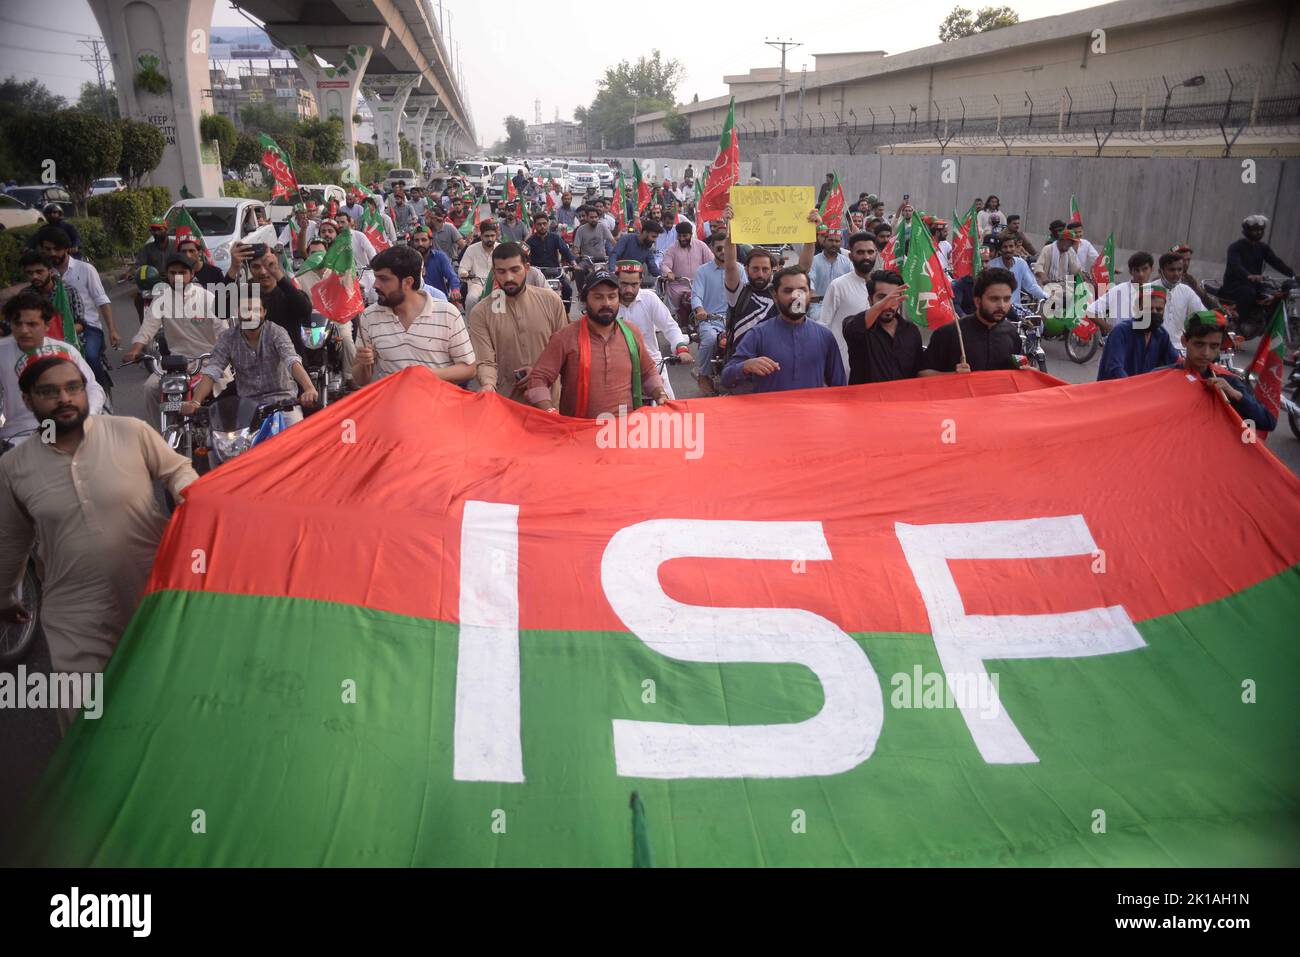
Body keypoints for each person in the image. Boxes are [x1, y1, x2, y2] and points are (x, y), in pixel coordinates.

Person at [0, 354, 197, 728]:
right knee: (85, 717)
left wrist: (191, 495)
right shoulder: (13, 468)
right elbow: (10, 541)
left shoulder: (130, 432)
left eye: (72, 388)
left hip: (153, 589)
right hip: (74, 608)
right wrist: (5, 597)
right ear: (27, 400)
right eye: (49, 392)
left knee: (168, 698)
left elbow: (178, 471)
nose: (65, 399)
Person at [524, 270, 667, 418]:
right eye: (598, 297)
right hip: (579, 433)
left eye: (612, 296)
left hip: (625, 432)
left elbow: (648, 371)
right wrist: (550, 412)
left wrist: (660, 394)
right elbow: (538, 379)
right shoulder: (565, 337)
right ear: (585, 301)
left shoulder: (631, 333)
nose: (606, 303)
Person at [123, 252, 230, 426]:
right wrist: (135, 350)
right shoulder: (161, 299)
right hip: (176, 365)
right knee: (150, 388)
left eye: (182, 272)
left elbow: (223, 332)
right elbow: (148, 328)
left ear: (192, 274)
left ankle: (219, 438)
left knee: (226, 394)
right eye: (173, 273)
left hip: (208, 362)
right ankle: (160, 438)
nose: (177, 277)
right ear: (167, 275)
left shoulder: (208, 298)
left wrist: (226, 354)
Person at [350, 245, 476, 388]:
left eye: (383, 279)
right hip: (392, 405)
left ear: (407, 282)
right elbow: (360, 380)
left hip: (438, 404)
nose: (375, 285)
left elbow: (469, 369)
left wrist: (423, 375)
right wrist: (364, 364)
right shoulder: (369, 316)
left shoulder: (447, 313)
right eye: (376, 278)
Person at [185, 293, 318, 425]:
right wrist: (195, 402)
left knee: (295, 437)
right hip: (247, 409)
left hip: (284, 405)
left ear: (264, 312)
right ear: (238, 312)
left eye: (256, 310)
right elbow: (213, 370)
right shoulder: (228, 337)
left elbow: (292, 361)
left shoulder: (276, 332)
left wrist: (309, 388)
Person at [467, 242, 570, 403]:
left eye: (515, 270)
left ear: (527, 268)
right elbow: (485, 361)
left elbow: (565, 352)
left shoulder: (551, 301)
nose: (508, 278)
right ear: (494, 273)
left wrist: (540, 373)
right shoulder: (481, 313)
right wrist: (488, 385)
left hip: (550, 405)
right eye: (501, 271)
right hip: (506, 407)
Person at [0, 293, 105, 445]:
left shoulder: (65, 351)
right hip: (14, 437)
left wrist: (87, 419)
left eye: (32, 324)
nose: (24, 331)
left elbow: (93, 389)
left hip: (64, 429)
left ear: (47, 325)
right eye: (18, 324)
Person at [722, 266, 845, 393]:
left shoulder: (825, 336)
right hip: (769, 411)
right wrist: (745, 367)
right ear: (775, 296)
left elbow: (839, 387)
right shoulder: (758, 334)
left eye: (802, 290)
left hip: (812, 411)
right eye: (788, 291)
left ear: (810, 294)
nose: (796, 296)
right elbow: (726, 378)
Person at [35, 225, 117, 389]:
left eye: (57, 249)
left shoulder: (85, 269)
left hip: (88, 328)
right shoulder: (42, 274)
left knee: (91, 356)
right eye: (47, 249)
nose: (52, 253)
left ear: (66, 248)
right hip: (53, 331)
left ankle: (102, 394)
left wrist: (112, 330)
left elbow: (101, 299)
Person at [1165, 310, 1276, 431]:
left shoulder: (1229, 382)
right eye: (1199, 344)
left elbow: (1268, 422)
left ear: (1220, 347)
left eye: (1214, 346)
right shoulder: (1162, 377)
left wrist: (1237, 396)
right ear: (1184, 341)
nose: (1206, 353)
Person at [613, 260, 691, 398]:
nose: (629, 290)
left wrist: (681, 348)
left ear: (640, 281)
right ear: (616, 281)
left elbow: (669, 326)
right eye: (624, 284)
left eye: (634, 284)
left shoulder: (649, 298)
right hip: (618, 367)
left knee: (669, 408)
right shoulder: (609, 303)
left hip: (653, 364)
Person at [920, 267, 1021, 375]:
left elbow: (1017, 368)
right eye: (994, 299)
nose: (1002, 305)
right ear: (977, 301)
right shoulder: (949, 333)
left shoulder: (1011, 332)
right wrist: (952, 375)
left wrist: (1027, 371)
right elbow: (922, 374)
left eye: (1006, 299)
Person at [842, 269, 924, 384]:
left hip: (904, 400)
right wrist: (880, 306)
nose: (889, 303)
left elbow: (918, 370)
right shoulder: (855, 326)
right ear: (870, 300)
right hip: (866, 400)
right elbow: (853, 329)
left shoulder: (911, 331)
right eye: (882, 298)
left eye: (894, 297)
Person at [236, 241, 313, 357]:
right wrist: (232, 267)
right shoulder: (245, 293)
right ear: (250, 269)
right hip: (253, 364)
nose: (263, 272)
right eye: (256, 267)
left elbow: (305, 309)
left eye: (268, 266)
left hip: (289, 363)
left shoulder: (287, 291)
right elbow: (219, 310)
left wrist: (277, 273)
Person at [1221, 214, 1295, 329]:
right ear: (1247, 230)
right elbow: (1235, 265)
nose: (1259, 233)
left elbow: (1276, 262)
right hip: (1235, 285)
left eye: (1261, 230)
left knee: (1275, 293)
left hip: (1254, 284)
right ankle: (1238, 323)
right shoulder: (1235, 247)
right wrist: (1248, 276)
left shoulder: (1263, 247)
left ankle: (1267, 322)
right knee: (1248, 293)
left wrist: (1293, 274)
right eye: (1255, 230)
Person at [820, 231, 879, 370]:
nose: (866, 257)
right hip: (843, 362)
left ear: (876, 253)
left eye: (870, 252)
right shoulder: (838, 285)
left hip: (875, 361)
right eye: (860, 252)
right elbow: (824, 324)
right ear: (851, 256)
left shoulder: (882, 286)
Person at [1097, 284, 1178, 381]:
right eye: (1148, 309)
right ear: (1138, 308)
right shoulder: (1121, 332)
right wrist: (1134, 389)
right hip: (1116, 391)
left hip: (1142, 391)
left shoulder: (1161, 334)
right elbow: (1115, 369)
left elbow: (1176, 362)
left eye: (1159, 309)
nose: (1154, 312)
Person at [20, 251, 85, 343]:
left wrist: (56, 335)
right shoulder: (25, 295)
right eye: (29, 273)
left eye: (39, 272)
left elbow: (81, 324)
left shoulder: (69, 291)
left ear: (50, 271)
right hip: (38, 344)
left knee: (92, 355)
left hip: (70, 342)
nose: (34, 276)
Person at [1085, 251, 1154, 334]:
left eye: (1145, 269)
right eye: (1137, 270)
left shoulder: (1156, 291)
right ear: (1131, 272)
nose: (1141, 274)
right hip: (1121, 342)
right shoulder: (1118, 290)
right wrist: (1108, 327)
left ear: (1151, 269)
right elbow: (1090, 311)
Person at [800, 220, 851, 324]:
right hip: (819, 305)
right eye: (831, 240)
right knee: (818, 320)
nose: (834, 244)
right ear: (824, 241)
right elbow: (810, 282)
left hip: (842, 304)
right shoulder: (814, 261)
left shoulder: (847, 262)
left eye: (837, 241)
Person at [660, 222, 713, 322]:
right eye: (679, 236)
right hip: (678, 287)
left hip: (699, 286)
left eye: (685, 236)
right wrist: (669, 272)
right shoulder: (672, 248)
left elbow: (711, 263)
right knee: (673, 315)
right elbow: (664, 265)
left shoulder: (701, 246)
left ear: (691, 234)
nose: (682, 239)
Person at [1152, 250, 1205, 345]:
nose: (1176, 274)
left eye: (1179, 269)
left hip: (1179, 348)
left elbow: (1201, 315)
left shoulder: (1187, 291)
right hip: (1153, 346)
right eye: (1172, 270)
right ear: (1161, 271)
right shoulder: (1148, 289)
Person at [525, 212, 575, 305]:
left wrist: (573, 263)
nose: (542, 226)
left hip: (555, 271)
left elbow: (565, 250)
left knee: (568, 288)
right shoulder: (530, 241)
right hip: (537, 273)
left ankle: (566, 313)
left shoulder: (555, 238)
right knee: (527, 292)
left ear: (548, 224)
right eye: (539, 224)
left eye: (544, 224)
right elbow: (524, 256)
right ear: (535, 226)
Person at [128, 217, 173, 321]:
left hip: (173, 282)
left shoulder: (176, 245)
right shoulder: (147, 248)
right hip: (152, 283)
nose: (156, 233)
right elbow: (139, 265)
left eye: (159, 229)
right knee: (138, 299)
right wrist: (132, 273)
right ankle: (144, 324)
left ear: (166, 229)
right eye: (153, 230)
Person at [992, 232, 1047, 306]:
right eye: (1005, 247)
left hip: (1017, 309)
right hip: (998, 308)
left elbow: (1031, 286)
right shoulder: (992, 266)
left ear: (1015, 247)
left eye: (1011, 246)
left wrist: (1046, 297)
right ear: (1000, 250)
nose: (1008, 250)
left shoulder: (1021, 263)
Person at [459, 219, 501, 312]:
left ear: (496, 236)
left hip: (496, 283)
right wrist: (464, 273)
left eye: (492, 236)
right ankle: (471, 325)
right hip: (476, 283)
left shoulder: (500, 249)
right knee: (471, 299)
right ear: (481, 236)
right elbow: (463, 268)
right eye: (487, 236)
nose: (490, 239)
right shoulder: (471, 249)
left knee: (500, 302)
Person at [410, 225, 461, 302]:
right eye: (416, 240)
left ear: (430, 242)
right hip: (416, 302)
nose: (420, 244)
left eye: (424, 240)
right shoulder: (408, 260)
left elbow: (452, 276)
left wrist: (455, 290)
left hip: (439, 300)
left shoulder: (440, 257)